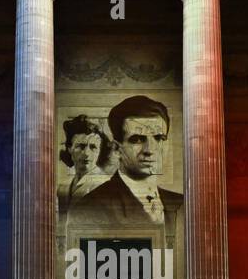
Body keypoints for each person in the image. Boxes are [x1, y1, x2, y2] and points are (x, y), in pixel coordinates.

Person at [70, 95, 184, 226]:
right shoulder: (89, 208)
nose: (150, 150)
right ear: (117, 148)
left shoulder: (183, 204)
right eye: (137, 140)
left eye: (159, 138)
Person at [56, 114, 112, 214]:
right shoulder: (63, 187)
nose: (86, 153)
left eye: (93, 147)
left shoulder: (105, 185)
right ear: (69, 149)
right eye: (81, 146)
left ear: (99, 151)